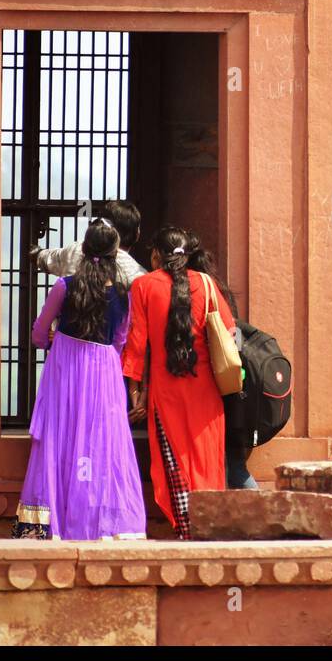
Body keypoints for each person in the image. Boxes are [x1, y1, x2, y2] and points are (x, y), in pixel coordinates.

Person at [12, 219, 147, 540]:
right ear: (115, 253)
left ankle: (52, 525)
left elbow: (38, 332)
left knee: (62, 438)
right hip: (105, 373)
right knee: (102, 443)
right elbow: (120, 339)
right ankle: (103, 526)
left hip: (66, 370)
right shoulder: (124, 293)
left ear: (84, 249)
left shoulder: (65, 285)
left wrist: (52, 341)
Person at [122, 226, 236, 539]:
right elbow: (228, 331)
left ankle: (186, 528)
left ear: (156, 255)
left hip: (165, 389)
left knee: (176, 460)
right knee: (205, 458)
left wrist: (134, 391)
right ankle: (208, 526)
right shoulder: (207, 284)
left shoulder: (143, 286)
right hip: (205, 390)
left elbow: (136, 342)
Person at [185, 242, 257, 490]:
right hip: (234, 385)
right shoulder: (222, 292)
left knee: (231, 465)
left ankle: (256, 518)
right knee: (234, 463)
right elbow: (234, 337)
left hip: (216, 390)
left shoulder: (201, 294)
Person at [32, 200, 147, 285]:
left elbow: (44, 258)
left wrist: (37, 252)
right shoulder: (138, 276)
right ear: (137, 235)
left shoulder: (76, 250)